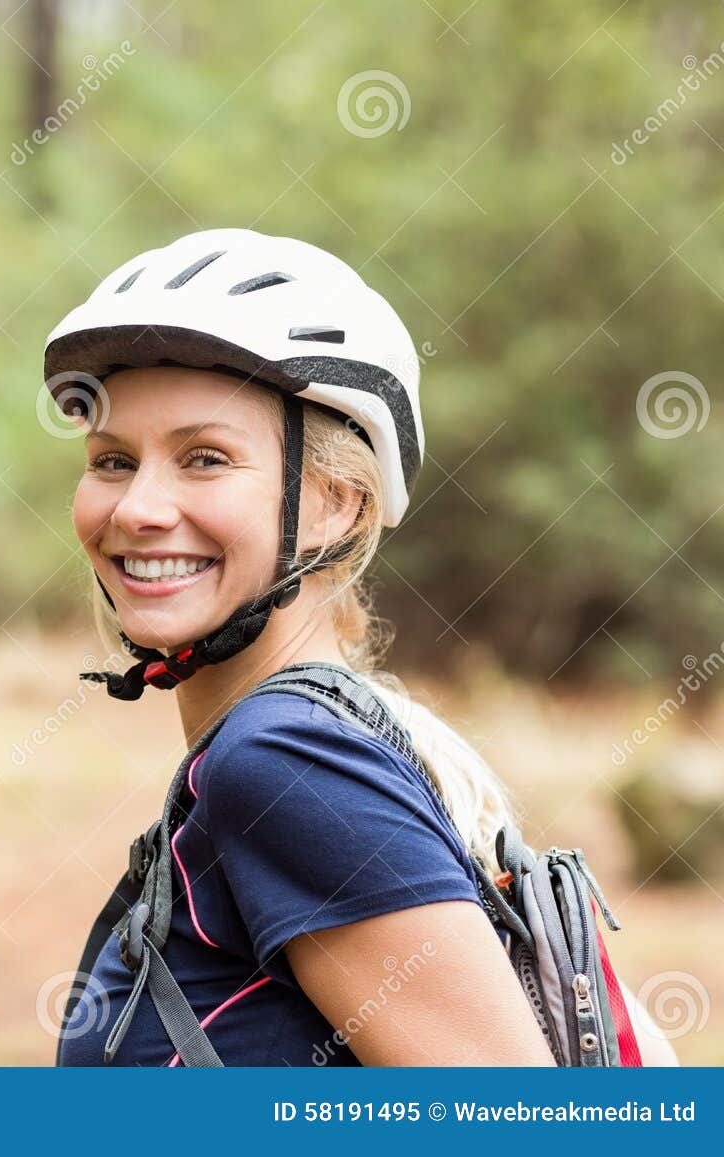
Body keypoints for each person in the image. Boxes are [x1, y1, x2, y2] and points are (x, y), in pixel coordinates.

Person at [44, 227, 673, 1066]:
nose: (137, 509)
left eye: (204, 458)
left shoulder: (282, 761)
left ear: (338, 501)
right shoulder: (333, 738)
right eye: (113, 461)